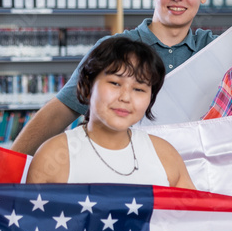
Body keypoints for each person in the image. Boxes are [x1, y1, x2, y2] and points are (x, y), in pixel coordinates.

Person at [12, 0, 215, 155]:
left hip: (195, 175)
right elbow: (58, 113)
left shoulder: (218, 48)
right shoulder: (112, 50)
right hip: (127, 172)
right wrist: (7, 167)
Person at [26, 34, 195, 188]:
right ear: (88, 84)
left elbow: (196, 218)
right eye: (115, 83)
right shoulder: (52, 156)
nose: (125, 97)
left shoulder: (165, 156)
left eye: (139, 89)